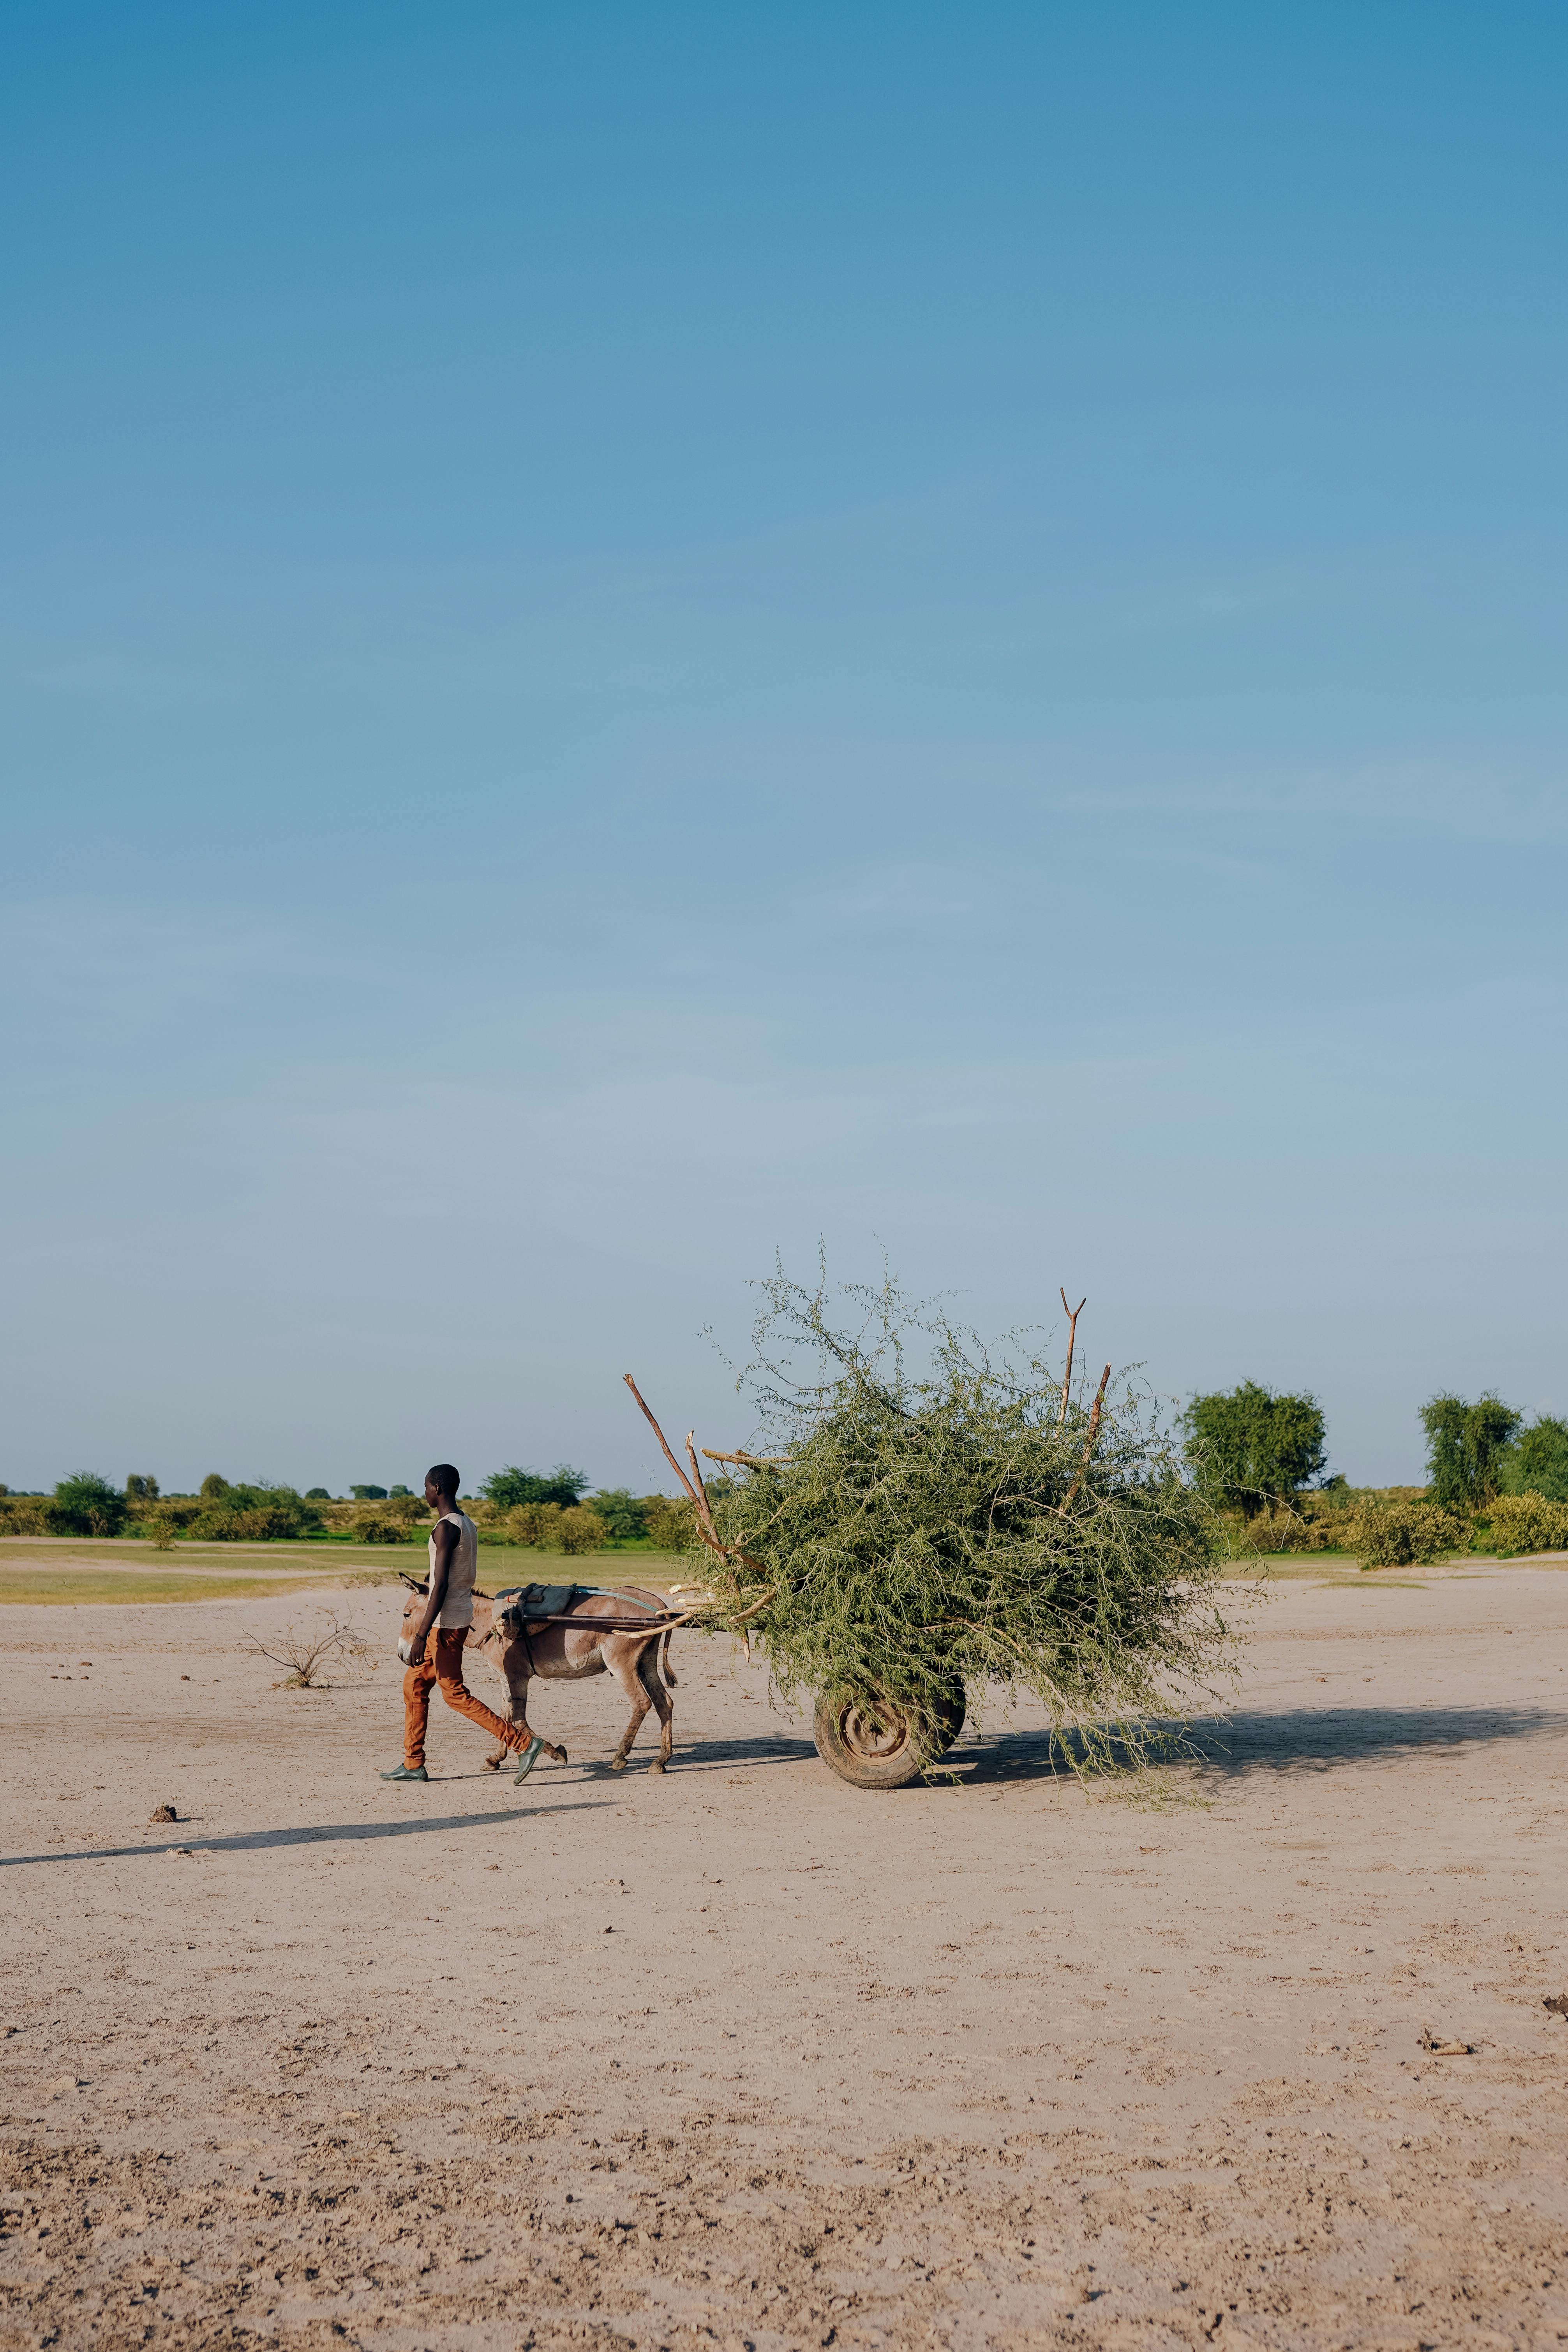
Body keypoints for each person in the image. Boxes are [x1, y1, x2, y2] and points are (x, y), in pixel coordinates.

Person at [380, 1464, 545, 1785]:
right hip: (454, 1618)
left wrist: (421, 1634)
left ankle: (524, 1744)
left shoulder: (445, 1528)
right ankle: (413, 1763)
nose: (425, 1492)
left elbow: (439, 1585)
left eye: (427, 1487)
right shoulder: (466, 1523)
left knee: (454, 1694)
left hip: (445, 1625)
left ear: (437, 1489)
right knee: (414, 1685)